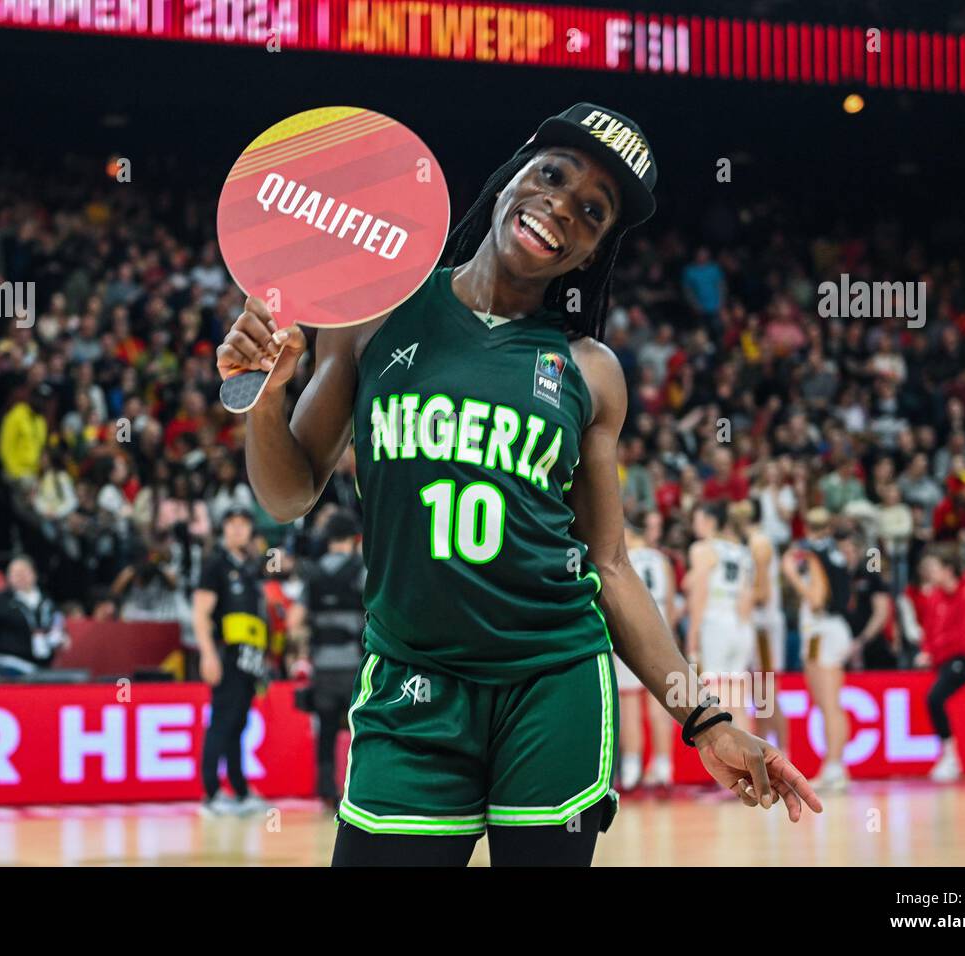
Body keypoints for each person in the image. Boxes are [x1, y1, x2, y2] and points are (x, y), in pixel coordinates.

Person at [218, 103, 820, 866]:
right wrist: (265, 396)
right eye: (551, 176)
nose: (560, 207)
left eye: (591, 213)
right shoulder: (374, 314)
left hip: (552, 685)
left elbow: (607, 565)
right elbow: (287, 494)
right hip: (412, 685)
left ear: (589, 253)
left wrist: (705, 719)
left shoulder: (590, 372)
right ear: (512, 177)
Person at [194, 505, 269, 816]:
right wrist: (208, 654)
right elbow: (200, 614)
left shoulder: (251, 567)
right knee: (222, 722)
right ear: (223, 529)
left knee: (238, 723)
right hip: (226, 654)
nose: (238, 530)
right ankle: (211, 793)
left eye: (243, 524)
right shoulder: (215, 566)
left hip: (250, 657)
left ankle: (239, 789)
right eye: (232, 524)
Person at [290, 509, 367, 806]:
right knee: (358, 729)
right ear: (352, 539)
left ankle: (326, 791)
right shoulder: (361, 571)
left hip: (323, 667)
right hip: (354, 667)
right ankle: (358, 790)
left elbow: (295, 620)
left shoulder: (314, 574)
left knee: (325, 730)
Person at [782, 510, 854, 792]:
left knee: (829, 704)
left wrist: (792, 575)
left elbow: (816, 599)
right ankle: (835, 766)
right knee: (826, 703)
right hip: (823, 631)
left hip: (824, 629)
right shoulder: (833, 552)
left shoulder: (813, 555)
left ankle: (835, 766)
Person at [917, 548, 965, 783]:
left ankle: (950, 757)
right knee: (934, 699)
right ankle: (948, 756)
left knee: (935, 698)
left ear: (949, 570)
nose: (930, 573)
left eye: (935, 568)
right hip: (943, 658)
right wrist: (928, 652)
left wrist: (935, 651)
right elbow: (929, 629)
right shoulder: (935, 595)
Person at [617, 512, 677, 789]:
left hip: (630, 635)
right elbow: (672, 606)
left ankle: (631, 770)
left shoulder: (622, 560)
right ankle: (664, 767)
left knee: (629, 704)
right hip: (661, 634)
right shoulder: (661, 559)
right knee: (660, 706)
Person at [685, 501, 756, 733]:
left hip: (715, 621)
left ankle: (729, 762)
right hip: (741, 626)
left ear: (709, 521)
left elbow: (700, 593)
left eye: (696, 520)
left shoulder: (702, 549)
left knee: (717, 698)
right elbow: (748, 596)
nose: (694, 526)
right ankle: (750, 762)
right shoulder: (742, 551)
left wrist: (693, 634)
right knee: (739, 701)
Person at [740, 499, 790, 757]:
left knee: (767, 695)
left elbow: (764, 593)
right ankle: (765, 755)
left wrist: (736, 600)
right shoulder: (753, 542)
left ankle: (784, 753)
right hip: (756, 625)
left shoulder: (759, 543)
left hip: (764, 626)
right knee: (759, 698)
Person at [0, 556, 69, 676]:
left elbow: (58, 626)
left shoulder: (47, 601)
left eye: (23, 572)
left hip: (41, 667)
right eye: (15, 573)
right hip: (8, 664)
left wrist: (62, 638)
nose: (20, 577)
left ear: (34, 574)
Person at [839, 535, 896, 670]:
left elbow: (881, 611)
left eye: (849, 551)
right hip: (842, 644)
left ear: (857, 552)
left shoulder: (870, 575)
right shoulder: (835, 578)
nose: (846, 556)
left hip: (871, 643)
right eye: (842, 552)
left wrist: (862, 640)